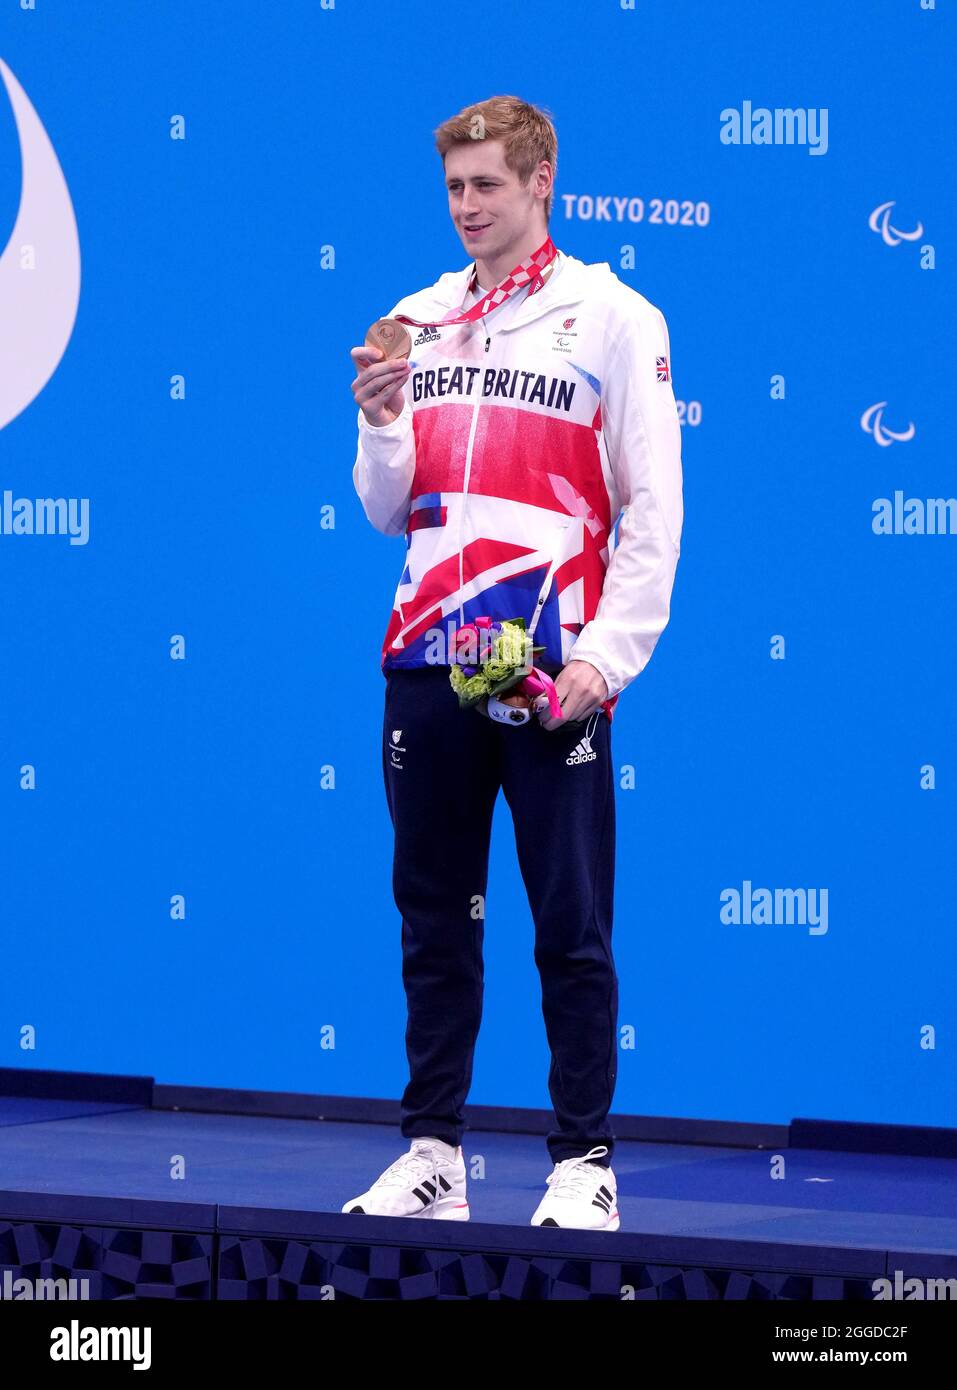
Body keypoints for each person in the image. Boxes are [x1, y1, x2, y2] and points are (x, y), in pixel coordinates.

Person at [343, 95, 683, 1230]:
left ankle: (583, 1162)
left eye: (488, 185)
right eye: (453, 189)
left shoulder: (614, 316)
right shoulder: (415, 321)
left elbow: (654, 505)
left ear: (544, 183)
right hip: (431, 657)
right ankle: (433, 1149)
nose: (467, 208)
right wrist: (384, 420)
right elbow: (388, 508)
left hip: (544, 665)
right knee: (433, 913)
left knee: (568, 920)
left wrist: (608, 654)